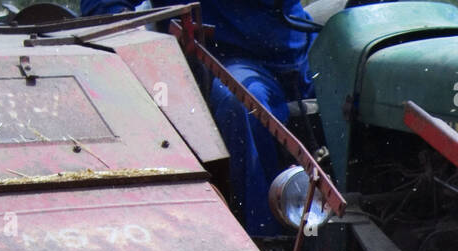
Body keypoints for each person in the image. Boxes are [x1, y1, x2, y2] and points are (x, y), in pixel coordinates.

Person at [80, 0, 315, 234]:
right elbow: (104, 5)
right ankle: (266, 241)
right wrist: (127, 26)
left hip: (299, 53)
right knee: (240, 102)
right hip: (230, 60)